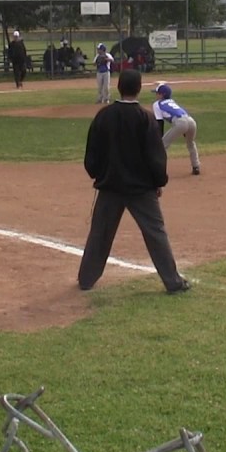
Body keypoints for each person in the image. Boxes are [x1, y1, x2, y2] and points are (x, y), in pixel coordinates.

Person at [78, 69, 191, 294]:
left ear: (118, 87)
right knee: (155, 233)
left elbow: (92, 153)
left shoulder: (104, 115)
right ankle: (172, 281)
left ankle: (86, 279)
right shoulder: (146, 117)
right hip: (141, 189)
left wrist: (98, 175)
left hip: (110, 186)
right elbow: (156, 155)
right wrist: (159, 181)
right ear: (138, 89)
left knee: (100, 232)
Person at [151, 81, 200, 176]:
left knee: (162, 146)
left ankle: (158, 170)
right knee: (191, 143)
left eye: (157, 93)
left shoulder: (157, 104)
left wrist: (159, 138)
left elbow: (159, 122)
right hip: (191, 121)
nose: (156, 95)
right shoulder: (172, 101)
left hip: (180, 123)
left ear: (162, 95)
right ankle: (196, 166)